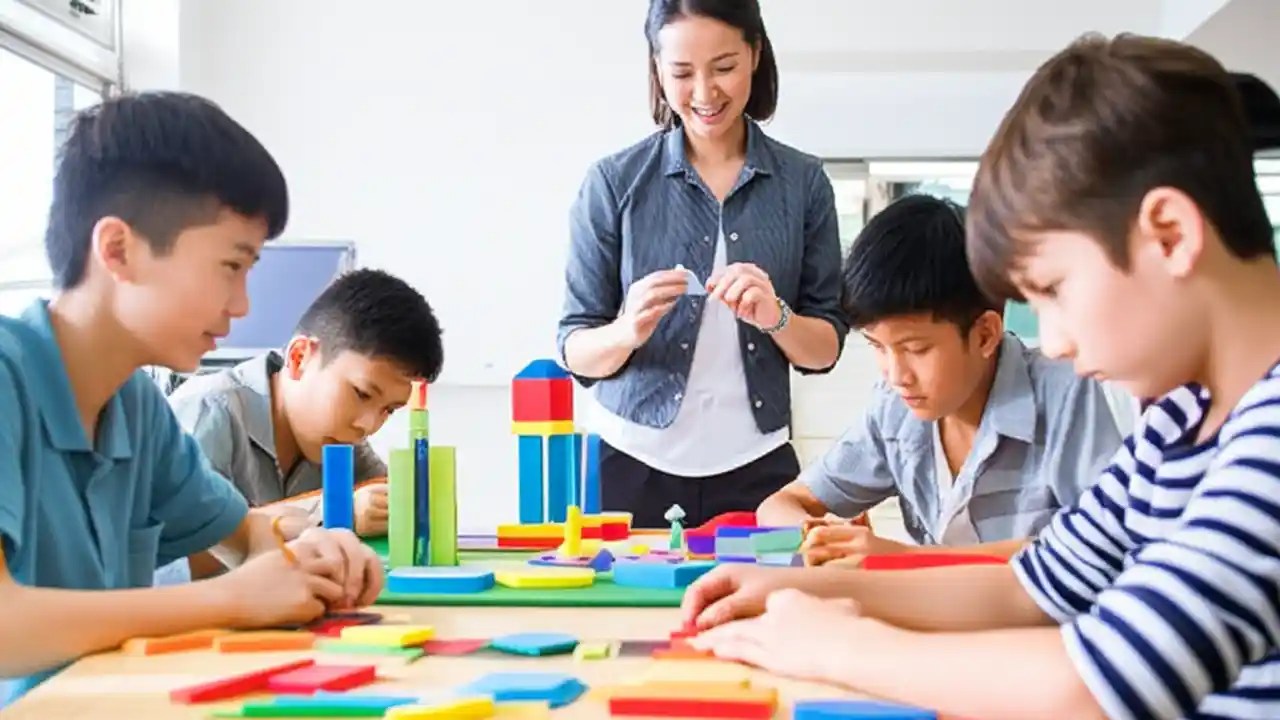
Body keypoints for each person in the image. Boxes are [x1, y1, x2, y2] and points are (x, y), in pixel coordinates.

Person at [681, 34, 1280, 720]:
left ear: (1169, 234)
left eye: (1054, 290)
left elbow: (1093, 687)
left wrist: (837, 644)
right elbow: (1031, 586)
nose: (1055, 340)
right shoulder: (1179, 424)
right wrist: (807, 592)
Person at [0, 92, 382, 708]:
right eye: (231, 266)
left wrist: (309, 554)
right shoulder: (7, 378)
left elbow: (245, 534)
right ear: (118, 250)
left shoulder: (135, 405)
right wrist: (228, 599)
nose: (242, 305)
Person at [558, 0, 847, 529]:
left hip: (758, 465)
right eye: (682, 73)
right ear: (657, 68)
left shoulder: (803, 183)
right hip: (630, 462)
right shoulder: (613, 182)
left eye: (724, 67)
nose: (705, 93)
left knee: (769, 584)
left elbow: (825, 348)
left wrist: (776, 317)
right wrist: (626, 330)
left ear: (755, 55)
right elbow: (575, 347)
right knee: (630, 588)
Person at [757, 194, 1122, 565]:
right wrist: (820, 536)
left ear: (985, 335)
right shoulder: (894, 407)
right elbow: (779, 506)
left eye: (916, 349)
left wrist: (907, 560)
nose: (897, 376)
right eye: (877, 347)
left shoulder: (1065, 394)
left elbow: (1103, 542)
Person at [168, 268, 444, 540]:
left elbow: (395, 506)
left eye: (388, 410)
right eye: (361, 394)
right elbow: (177, 545)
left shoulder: (343, 440)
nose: (368, 425)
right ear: (299, 358)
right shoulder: (207, 411)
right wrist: (334, 512)